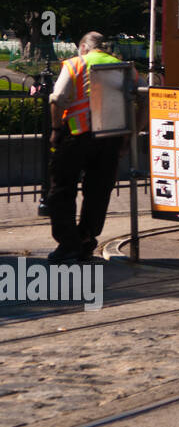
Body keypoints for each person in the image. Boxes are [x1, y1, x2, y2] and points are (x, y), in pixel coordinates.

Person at [45, 32, 126, 263]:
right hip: (111, 137)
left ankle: (68, 245)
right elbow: (140, 99)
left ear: (83, 47)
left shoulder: (75, 64)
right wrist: (128, 139)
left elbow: (57, 98)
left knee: (61, 189)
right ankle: (86, 239)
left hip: (76, 136)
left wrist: (56, 130)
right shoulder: (122, 67)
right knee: (98, 191)